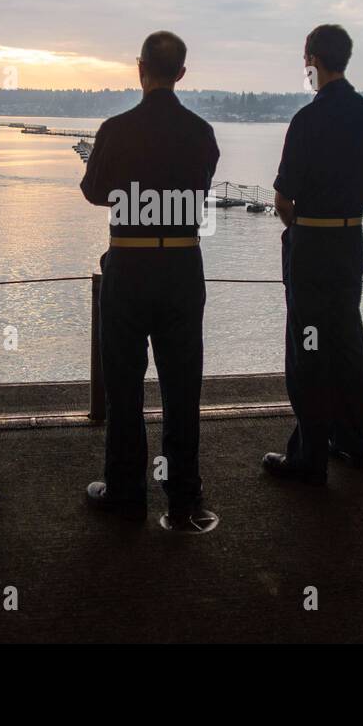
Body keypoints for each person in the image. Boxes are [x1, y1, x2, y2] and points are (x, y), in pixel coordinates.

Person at [80, 31, 220, 529]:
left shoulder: (116, 129)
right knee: (182, 389)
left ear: (139, 68)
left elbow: (95, 191)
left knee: (124, 386)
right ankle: (184, 495)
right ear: (181, 73)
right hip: (182, 267)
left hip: (131, 267)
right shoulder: (201, 133)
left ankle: (124, 490)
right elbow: (198, 189)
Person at [263, 25, 363, 485]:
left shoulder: (307, 120)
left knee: (307, 346)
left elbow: (283, 199)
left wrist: (300, 231)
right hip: (350, 243)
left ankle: (308, 456)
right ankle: (353, 442)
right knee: (348, 342)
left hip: (312, 243)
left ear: (313, 59)